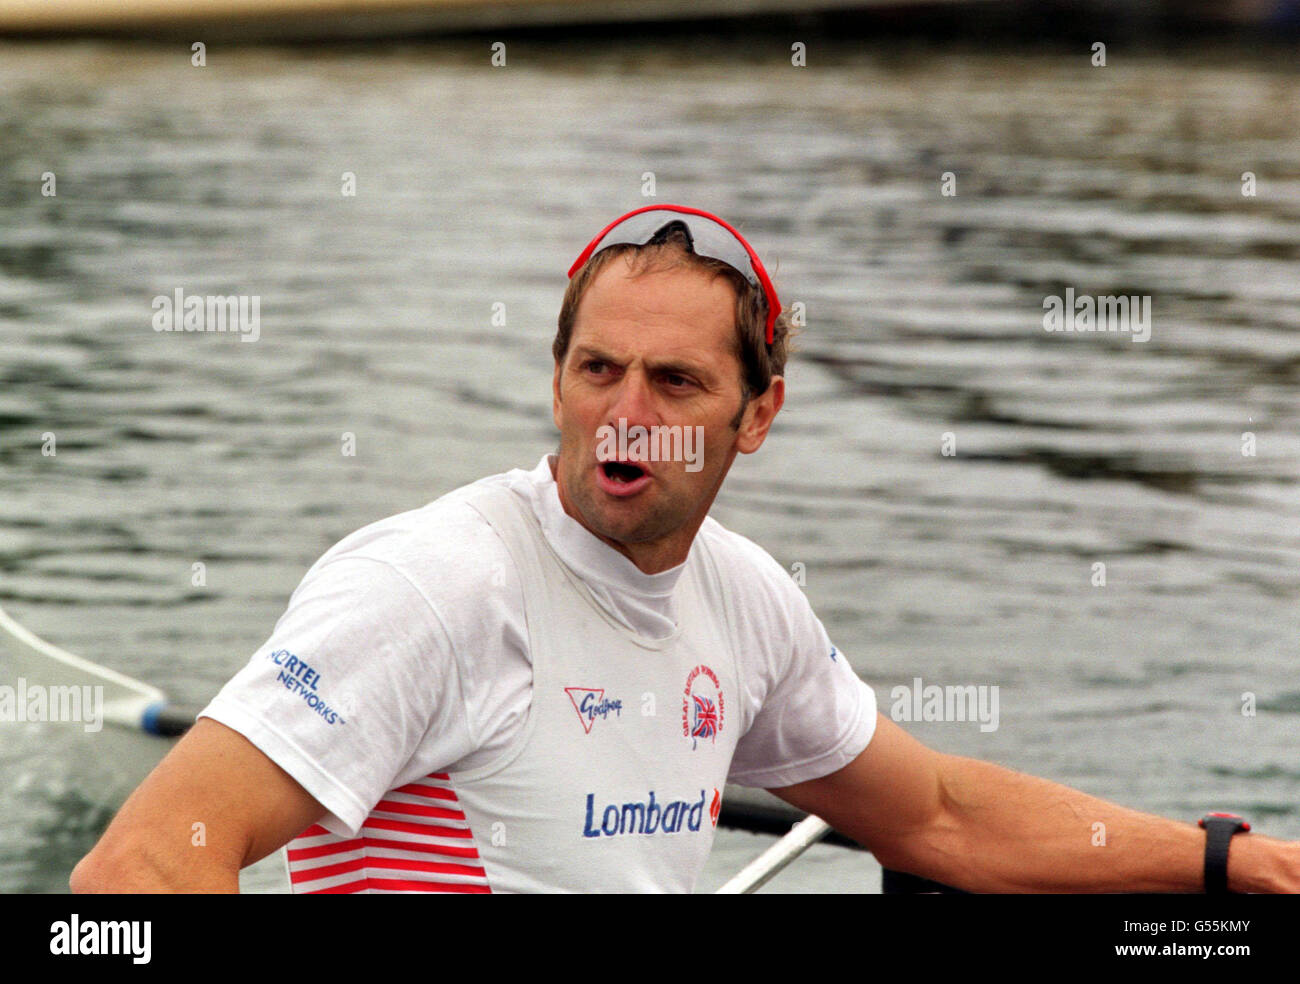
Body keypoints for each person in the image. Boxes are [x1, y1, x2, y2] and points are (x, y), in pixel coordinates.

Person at [72, 205, 1297, 894]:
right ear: (554, 378)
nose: (624, 411)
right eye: (596, 368)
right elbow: (142, 862)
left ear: (756, 414)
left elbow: (934, 818)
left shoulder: (747, 603)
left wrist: (1222, 863)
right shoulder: (434, 585)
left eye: (675, 381)